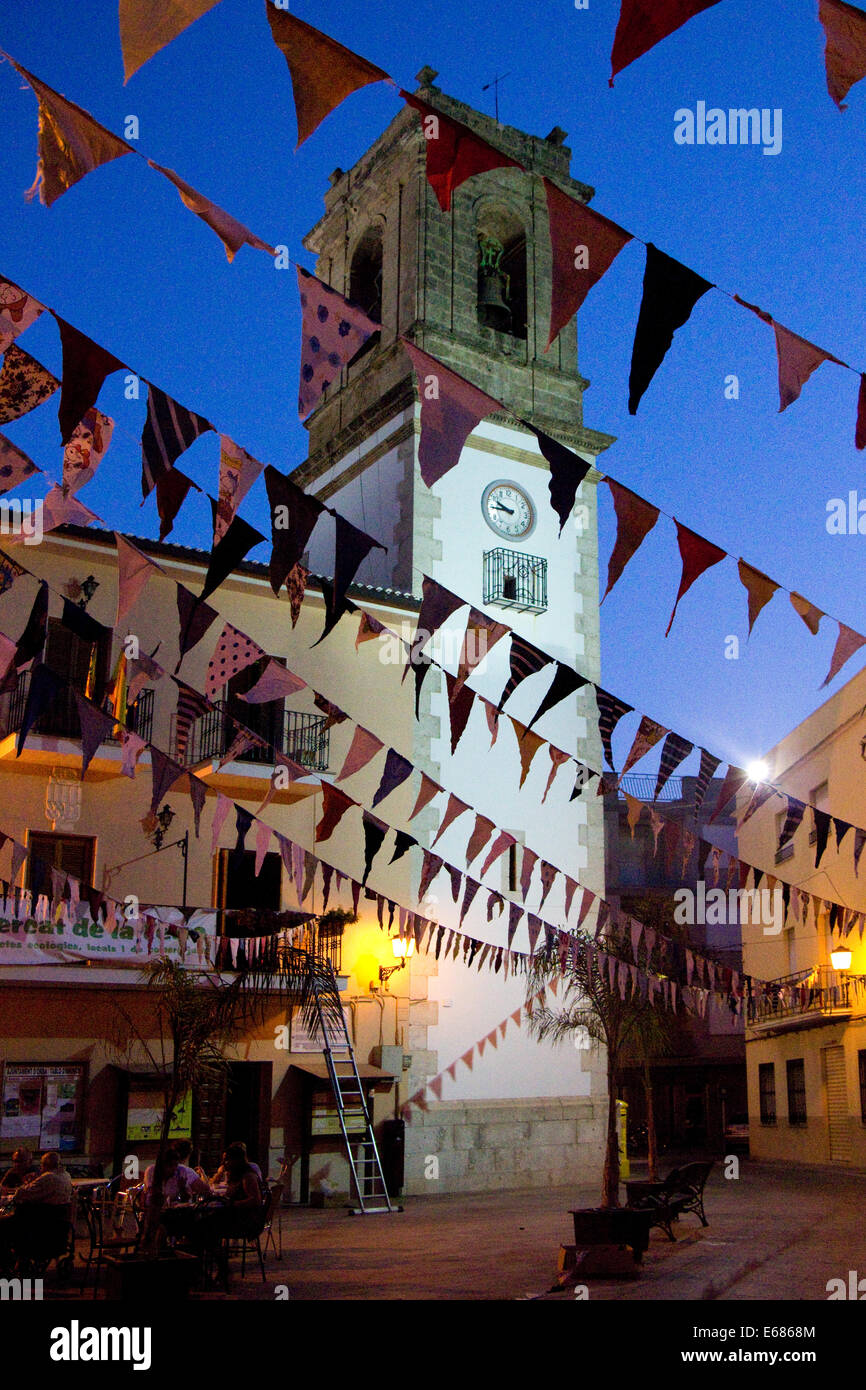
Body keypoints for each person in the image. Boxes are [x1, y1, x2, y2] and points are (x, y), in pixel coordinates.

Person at [0, 1152, 72, 1267]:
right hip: (52, 1219)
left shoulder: (47, 1176)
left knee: (3, 1223)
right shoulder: (65, 1175)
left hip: (38, 1221)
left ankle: (8, 1262)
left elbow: (23, 1193)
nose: (16, 1164)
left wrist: (26, 1184)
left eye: (42, 1164)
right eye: (15, 1161)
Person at [142, 1147, 211, 1207]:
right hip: (153, 1208)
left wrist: (182, 1188)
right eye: (170, 1165)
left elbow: (186, 1199)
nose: (174, 1168)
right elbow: (153, 1195)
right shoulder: (152, 1171)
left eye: (176, 1165)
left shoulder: (180, 1171)